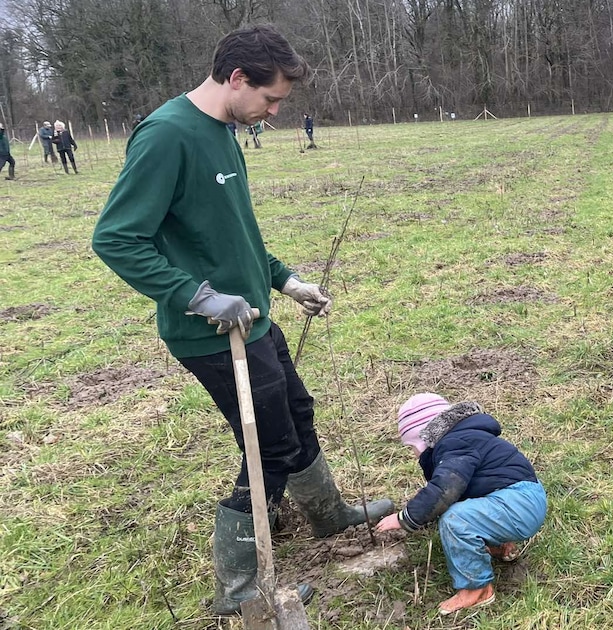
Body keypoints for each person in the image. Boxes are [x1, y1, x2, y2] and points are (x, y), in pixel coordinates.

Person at [90, 24, 394, 616]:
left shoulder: (227, 131)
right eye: (271, 99)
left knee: (296, 413)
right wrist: (197, 296)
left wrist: (286, 280)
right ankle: (241, 592)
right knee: (266, 449)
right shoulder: (167, 137)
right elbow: (116, 238)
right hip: (211, 333)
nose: (275, 112)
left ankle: (328, 515)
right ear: (236, 79)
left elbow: (235, 233)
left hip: (254, 318)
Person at [377, 394, 547, 615]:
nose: (414, 453)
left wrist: (406, 517)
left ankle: (477, 589)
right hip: (523, 499)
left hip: (518, 505)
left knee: (455, 519)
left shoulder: (455, 444)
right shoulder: (466, 437)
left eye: (412, 446)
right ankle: (500, 545)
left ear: (424, 438)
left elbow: (444, 490)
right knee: (468, 508)